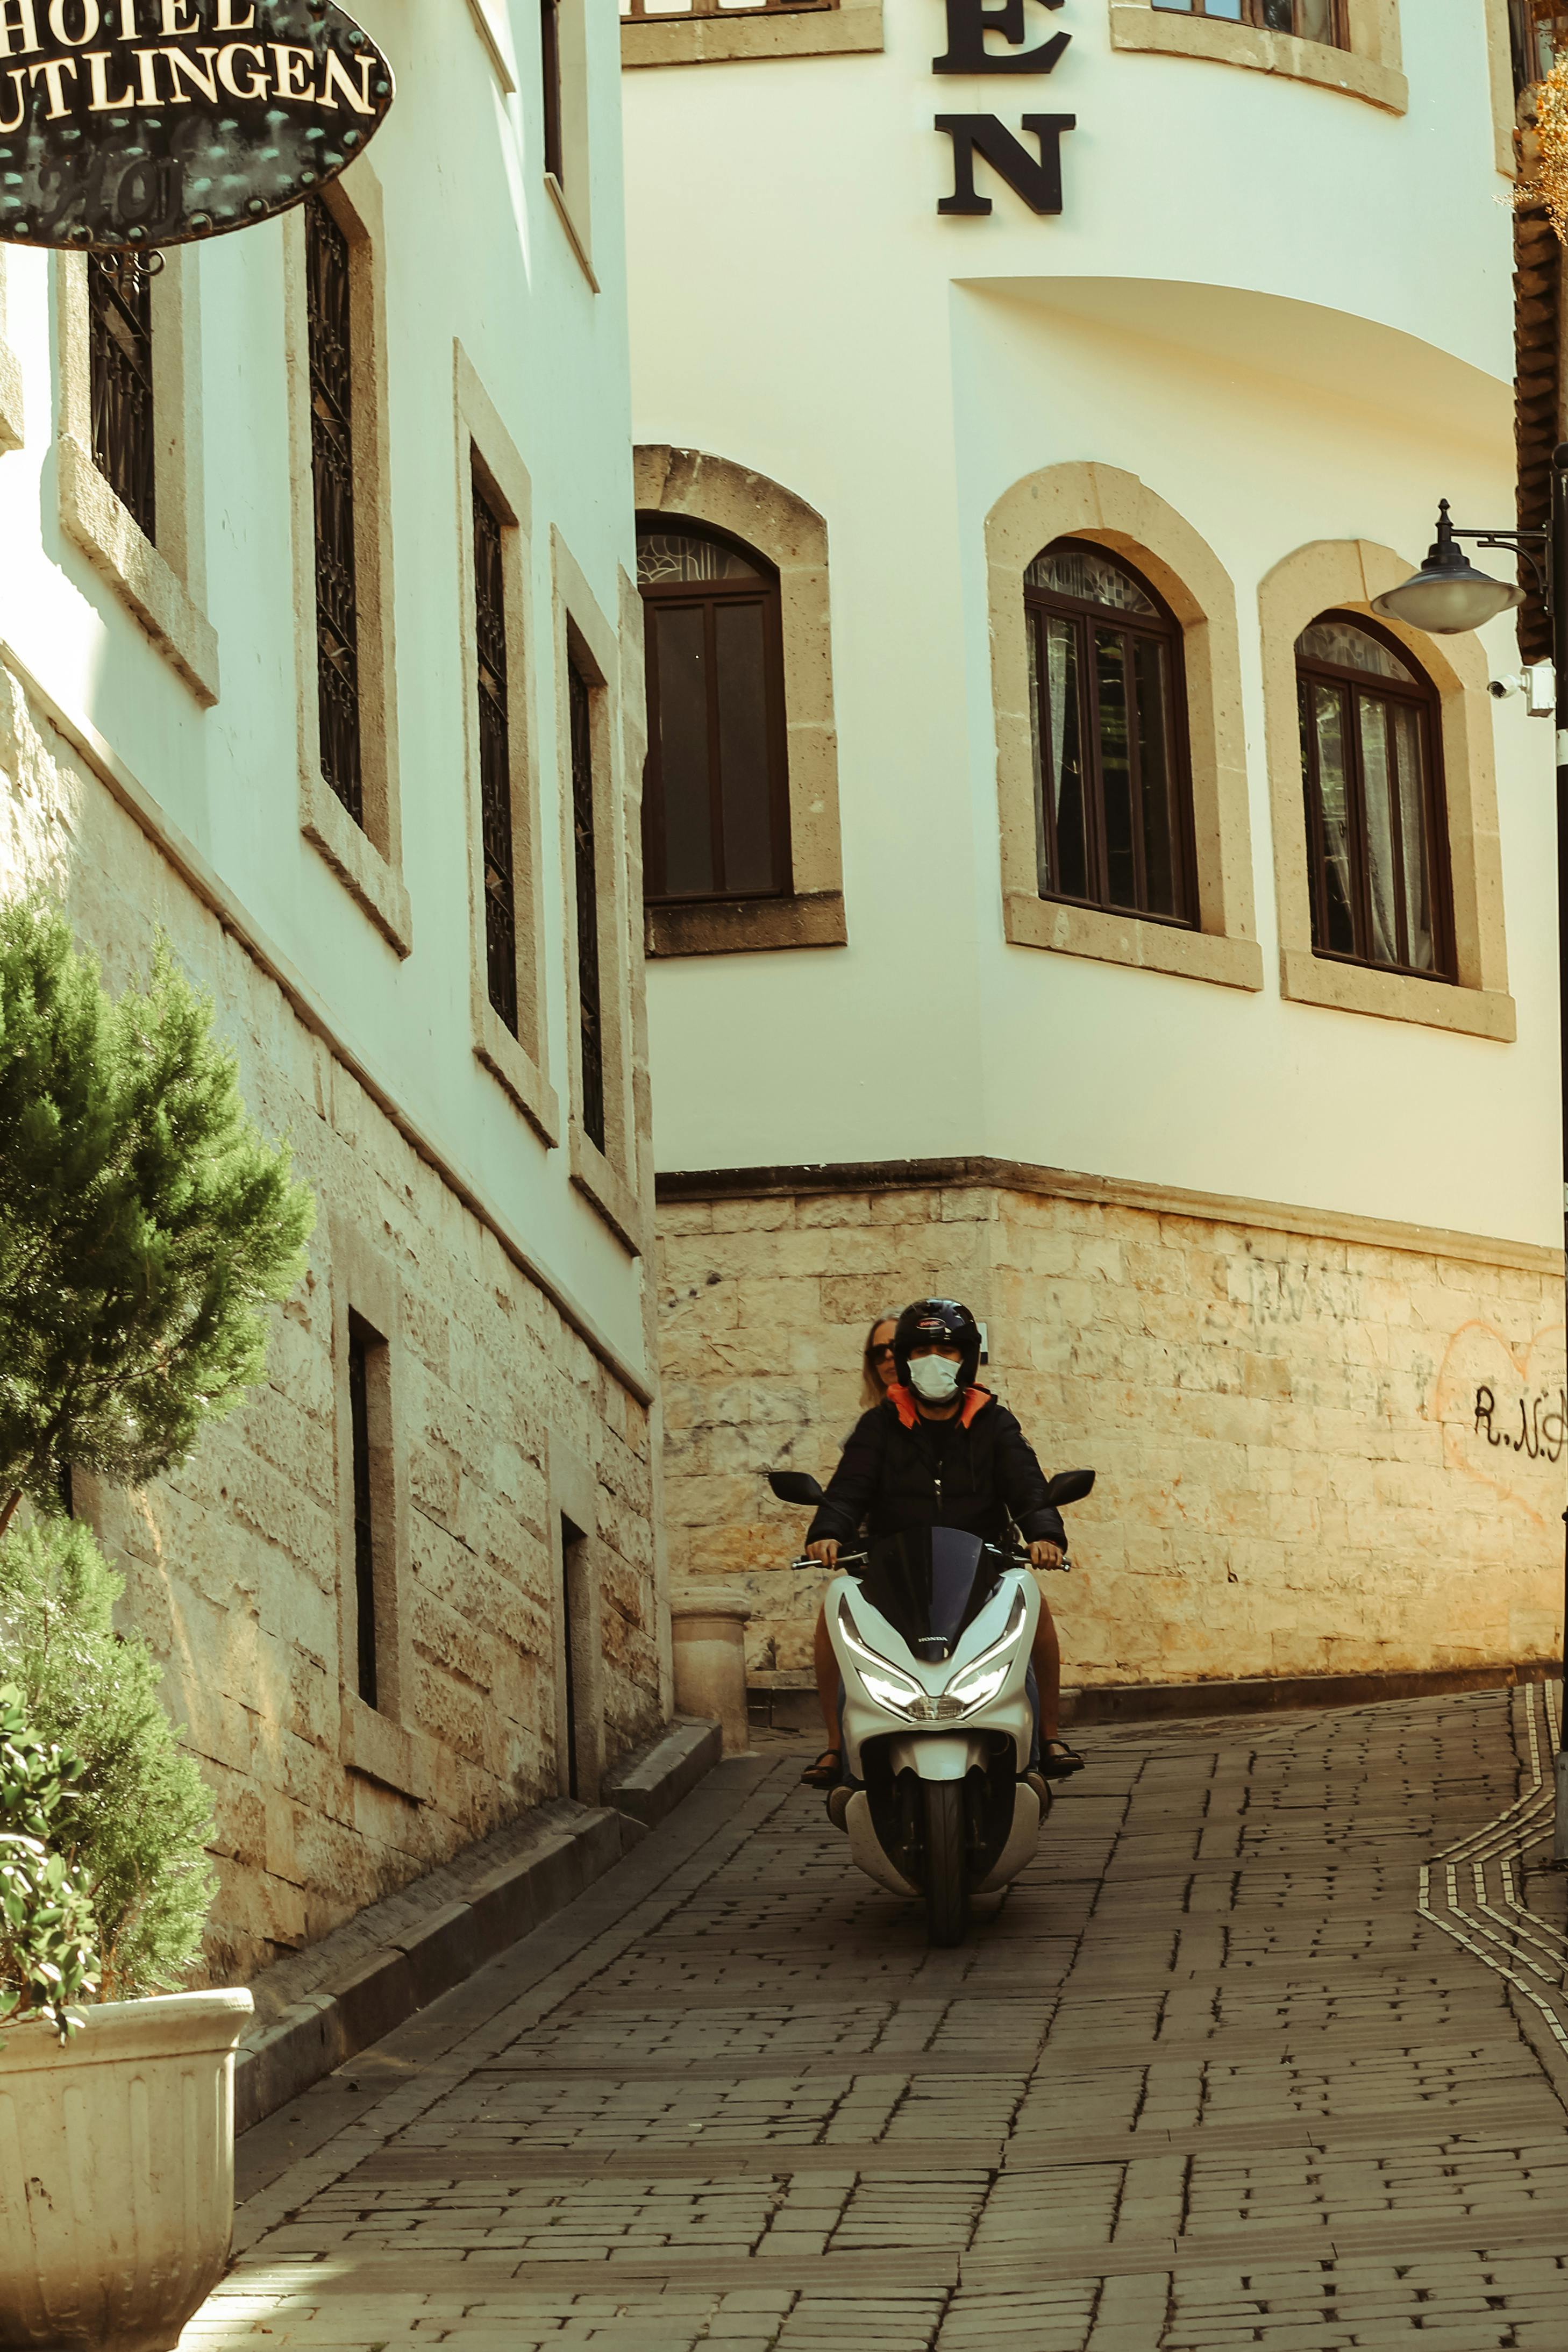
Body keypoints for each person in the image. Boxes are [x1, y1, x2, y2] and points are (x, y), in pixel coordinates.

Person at [800, 1297, 1085, 1791]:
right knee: (835, 1606)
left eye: (948, 1351)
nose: (935, 1361)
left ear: (968, 1359)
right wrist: (827, 1532)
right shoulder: (879, 1426)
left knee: (1033, 1603)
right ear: (905, 1361)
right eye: (922, 1350)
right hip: (891, 1569)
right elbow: (849, 1488)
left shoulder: (995, 1422)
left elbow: (1027, 1484)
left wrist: (1044, 1535)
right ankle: (836, 1745)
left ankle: (1050, 1735)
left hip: (984, 1565)